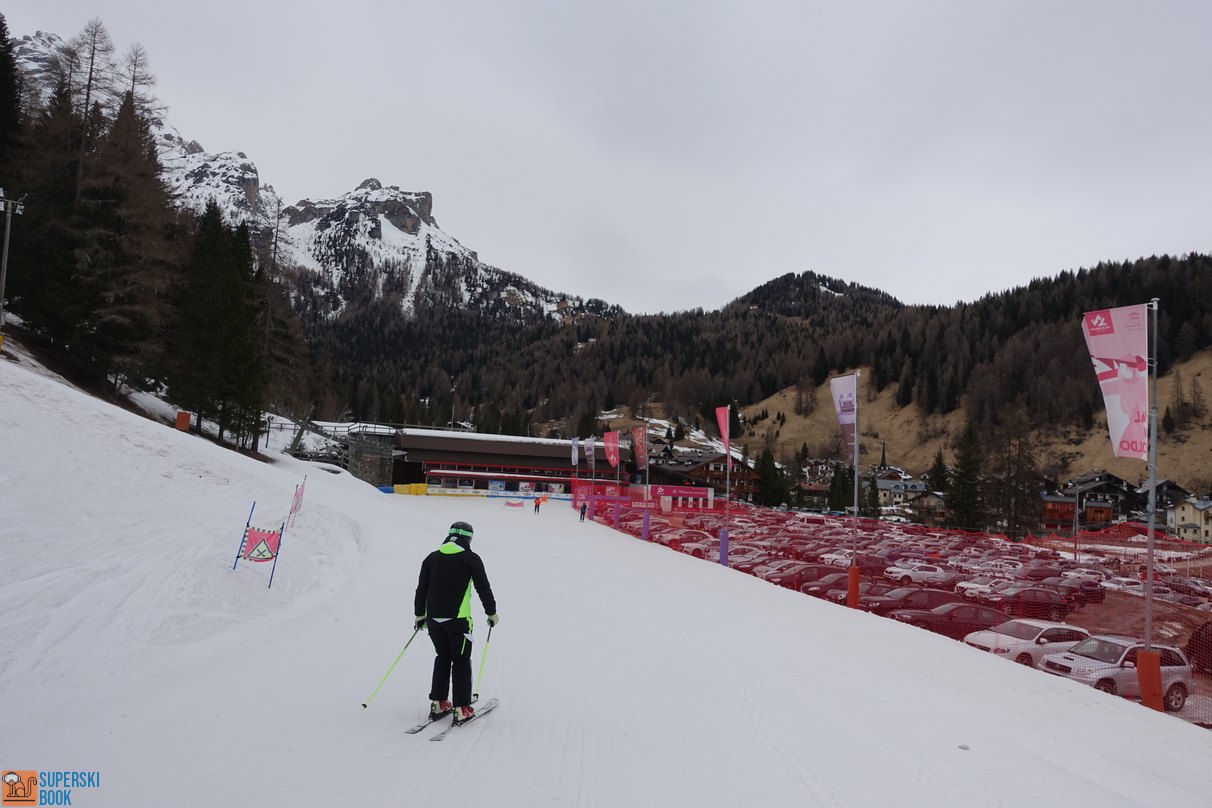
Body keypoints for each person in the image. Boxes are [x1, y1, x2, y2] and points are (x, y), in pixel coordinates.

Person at [414, 521, 498, 724]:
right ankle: (462, 708)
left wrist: (419, 615)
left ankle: (439, 702)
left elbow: (421, 589)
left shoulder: (431, 558)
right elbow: (483, 588)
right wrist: (491, 612)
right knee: (461, 660)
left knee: (442, 656)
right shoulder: (470, 558)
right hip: (458, 621)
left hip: (434, 620)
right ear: (468, 538)